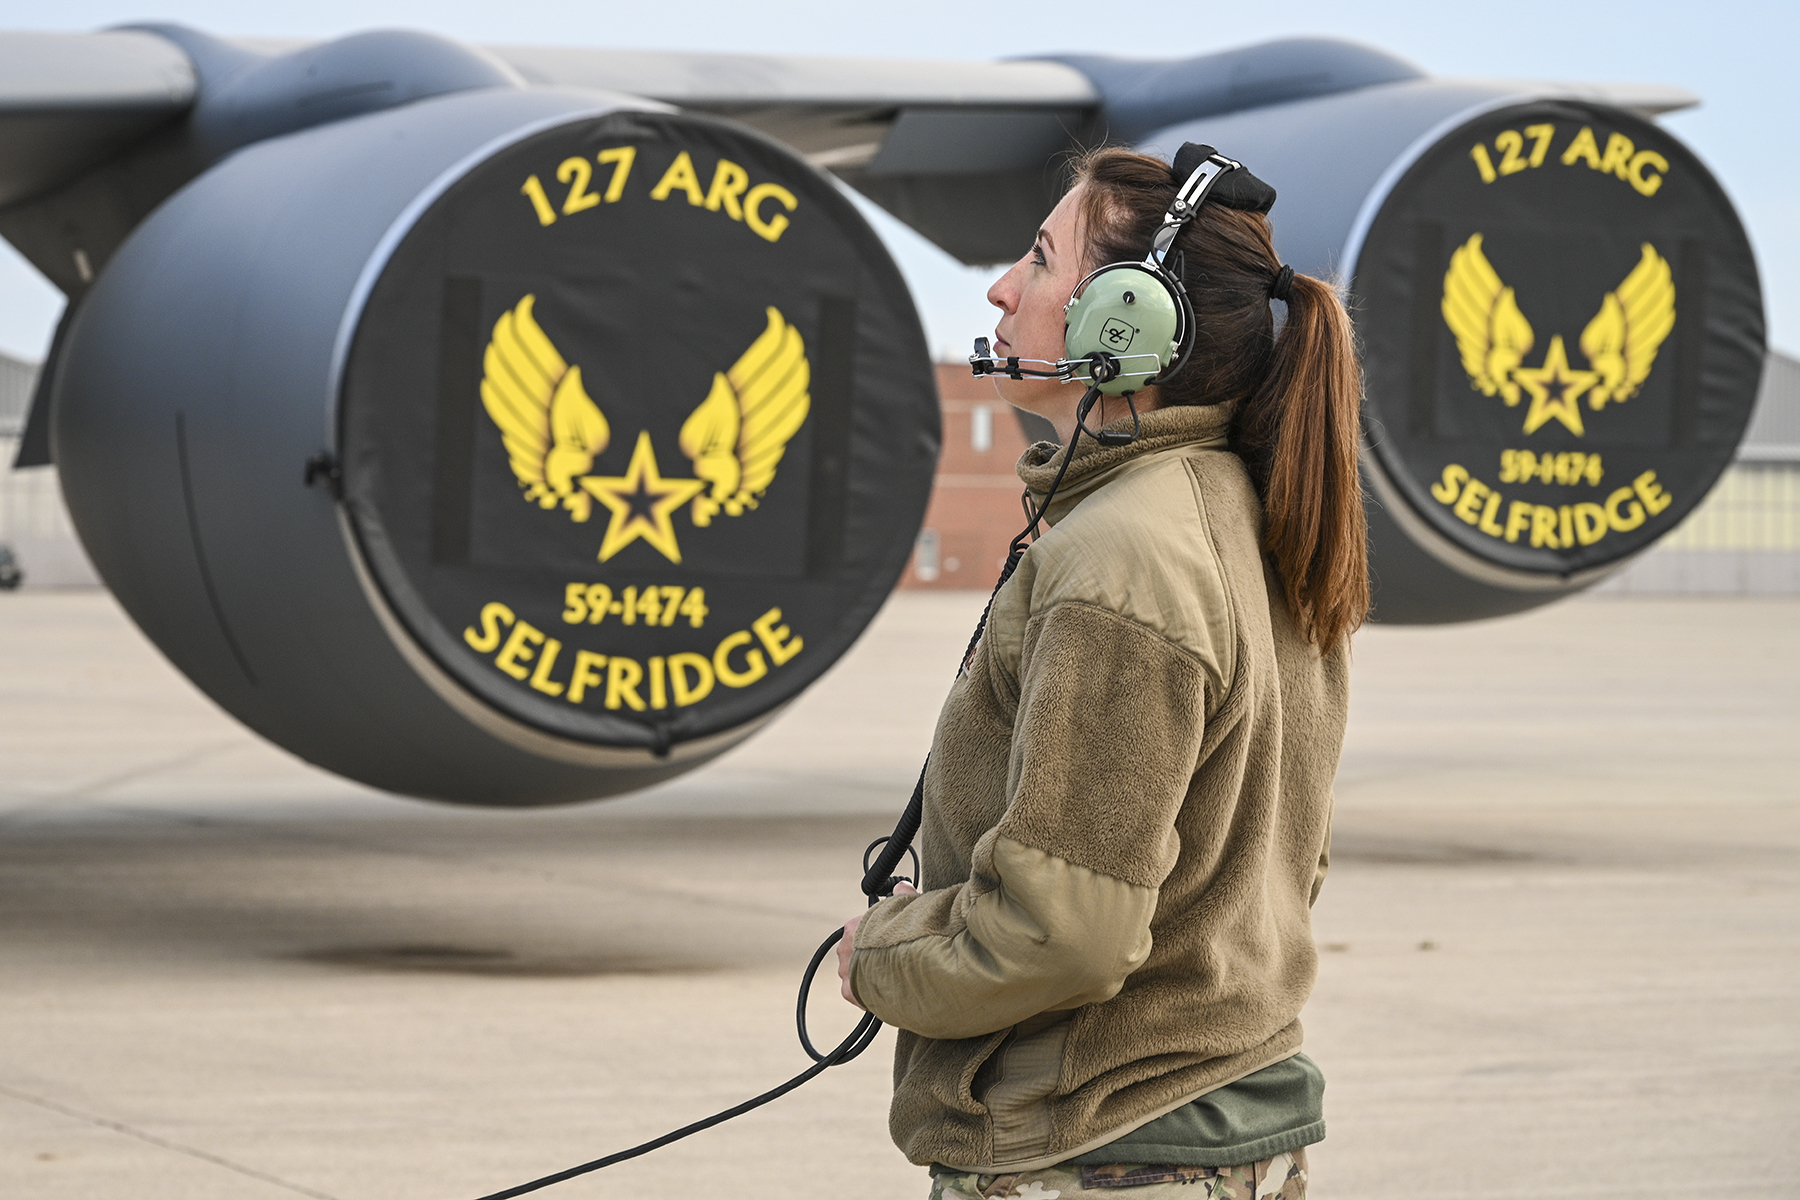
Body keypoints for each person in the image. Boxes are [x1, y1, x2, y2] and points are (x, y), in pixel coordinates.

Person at [834, 142, 1368, 1200]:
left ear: (1124, 320)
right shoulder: (1245, 512)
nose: (1000, 286)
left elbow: (1063, 936)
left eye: (1037, 260)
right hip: (1218, 1118)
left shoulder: (1122, 555)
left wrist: (879, 953)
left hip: (1107, 1150)